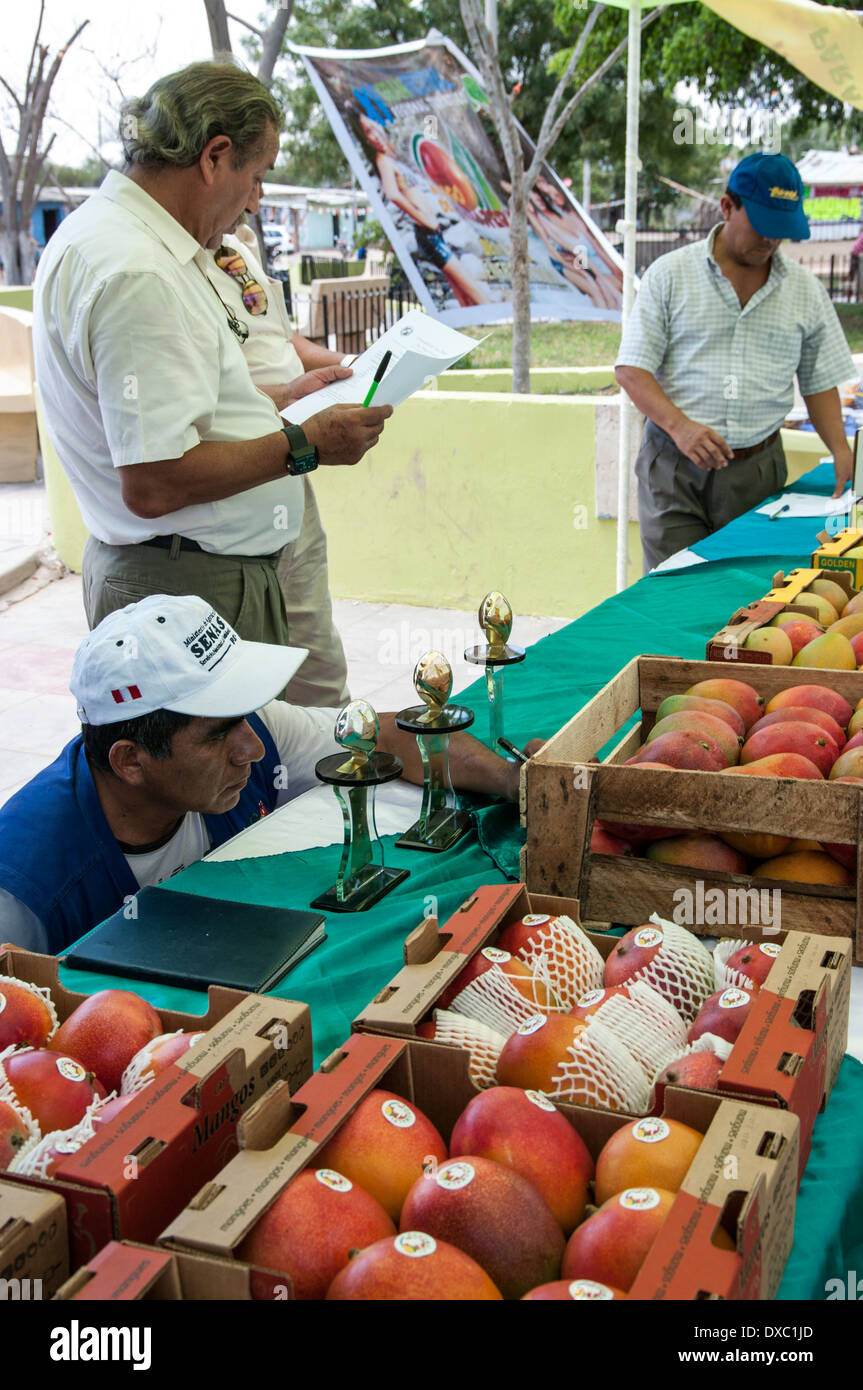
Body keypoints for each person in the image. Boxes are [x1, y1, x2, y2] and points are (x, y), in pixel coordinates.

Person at [32, 61, 391, 647]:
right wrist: (305, 444)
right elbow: (153, 482)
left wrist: (281, 399)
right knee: (234, 743)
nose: (255, 200)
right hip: (186, 584)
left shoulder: (113, 238)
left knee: (284, 730)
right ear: (214, 156)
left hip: (186, 572)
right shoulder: (138, 271)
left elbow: (175, 409)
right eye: (256, 174)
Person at [0, 595, 538, 956]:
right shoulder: (22, 889)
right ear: (129, 761)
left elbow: (395, 735)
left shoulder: (255, 730)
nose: (253, 747)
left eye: (245, 716)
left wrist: (515, 780)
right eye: (219, 735)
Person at [615, 152, 856, 572]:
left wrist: (841, 450)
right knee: (675, 591)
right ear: (728, 207)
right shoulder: (669, 276)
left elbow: (819, 382)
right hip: (674, 468)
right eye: (763, 227)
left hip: (758, 472)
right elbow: (632, 370)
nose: (771, 242)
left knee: (747, 594)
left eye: (781, 232)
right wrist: (681, 427)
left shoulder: (805, 292)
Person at [208, 220, 351, 707]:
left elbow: (281, 342)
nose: (257, 194)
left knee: (319, 664)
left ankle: (337, 767)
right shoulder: (167, 265)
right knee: (248, 694)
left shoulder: (236, 245)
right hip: (237, 484)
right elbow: (207, 402)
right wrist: (288, 402)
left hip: (290, 477)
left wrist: (357, 364)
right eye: (254, 175)